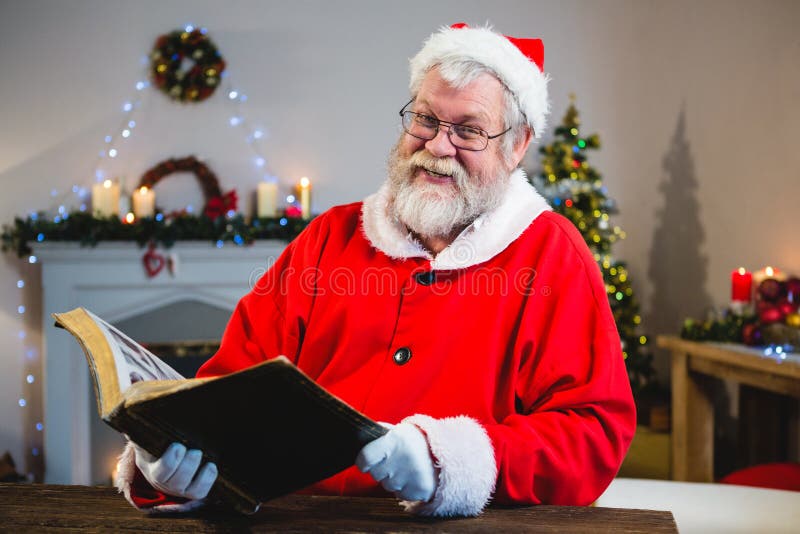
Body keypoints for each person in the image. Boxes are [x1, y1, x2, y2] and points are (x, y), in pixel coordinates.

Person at [115, 23, 636, 517]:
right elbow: (230, 385)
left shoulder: (551, 253)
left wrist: (444, 461)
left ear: (516, 146)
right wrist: (177, 461)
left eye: (469, 131)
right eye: (427, 119)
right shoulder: (328, 238)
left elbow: (591, 436)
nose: (437, 146)